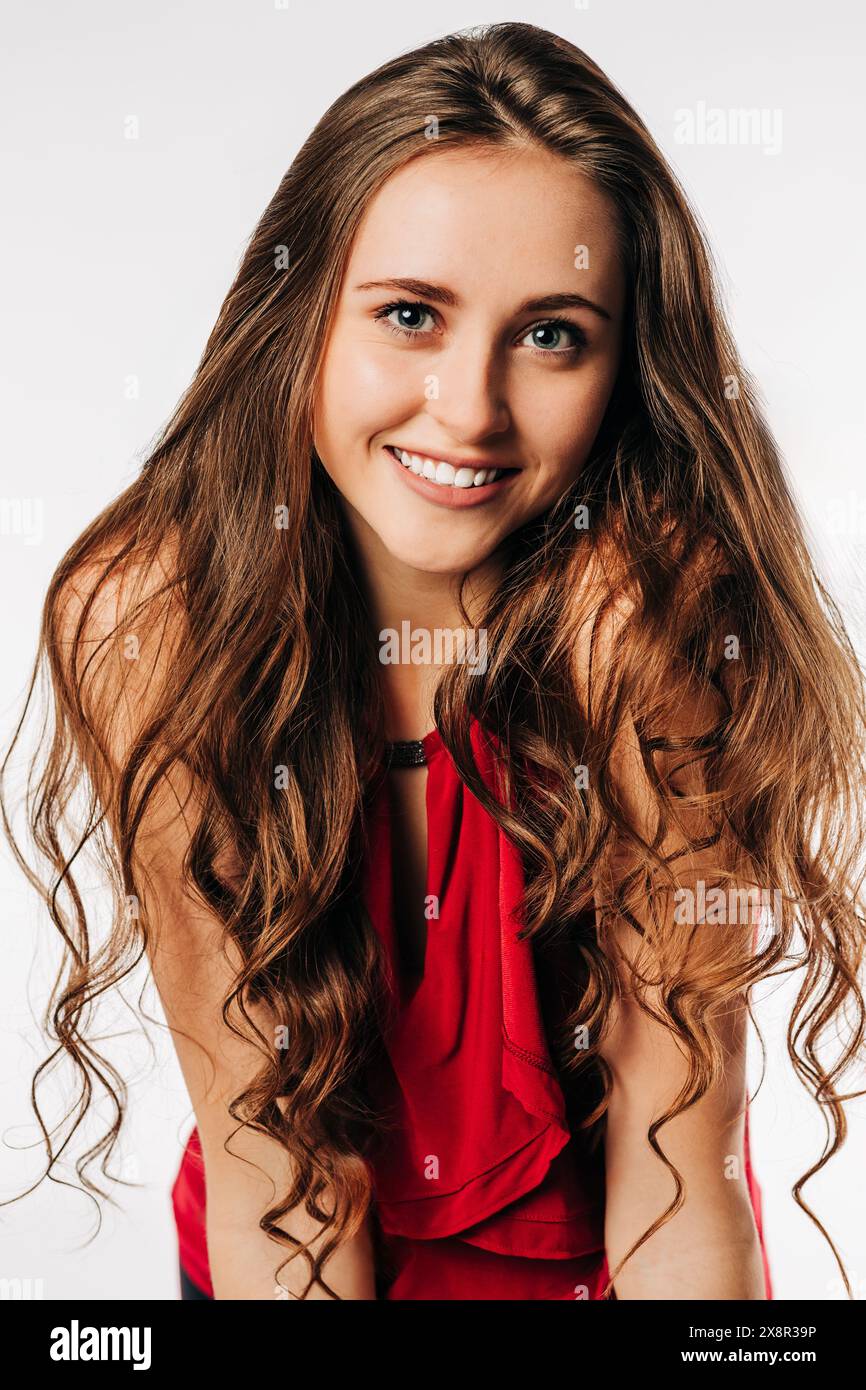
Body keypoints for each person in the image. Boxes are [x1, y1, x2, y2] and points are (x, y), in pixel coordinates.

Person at [4, 21, 864, 1301]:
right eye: (410, 315)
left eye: (552, 335)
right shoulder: (154, 624)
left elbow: (679, 1189)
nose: (468, 408)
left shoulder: (655, 640)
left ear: (626, 368)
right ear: (297, 319)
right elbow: (273, 1194)